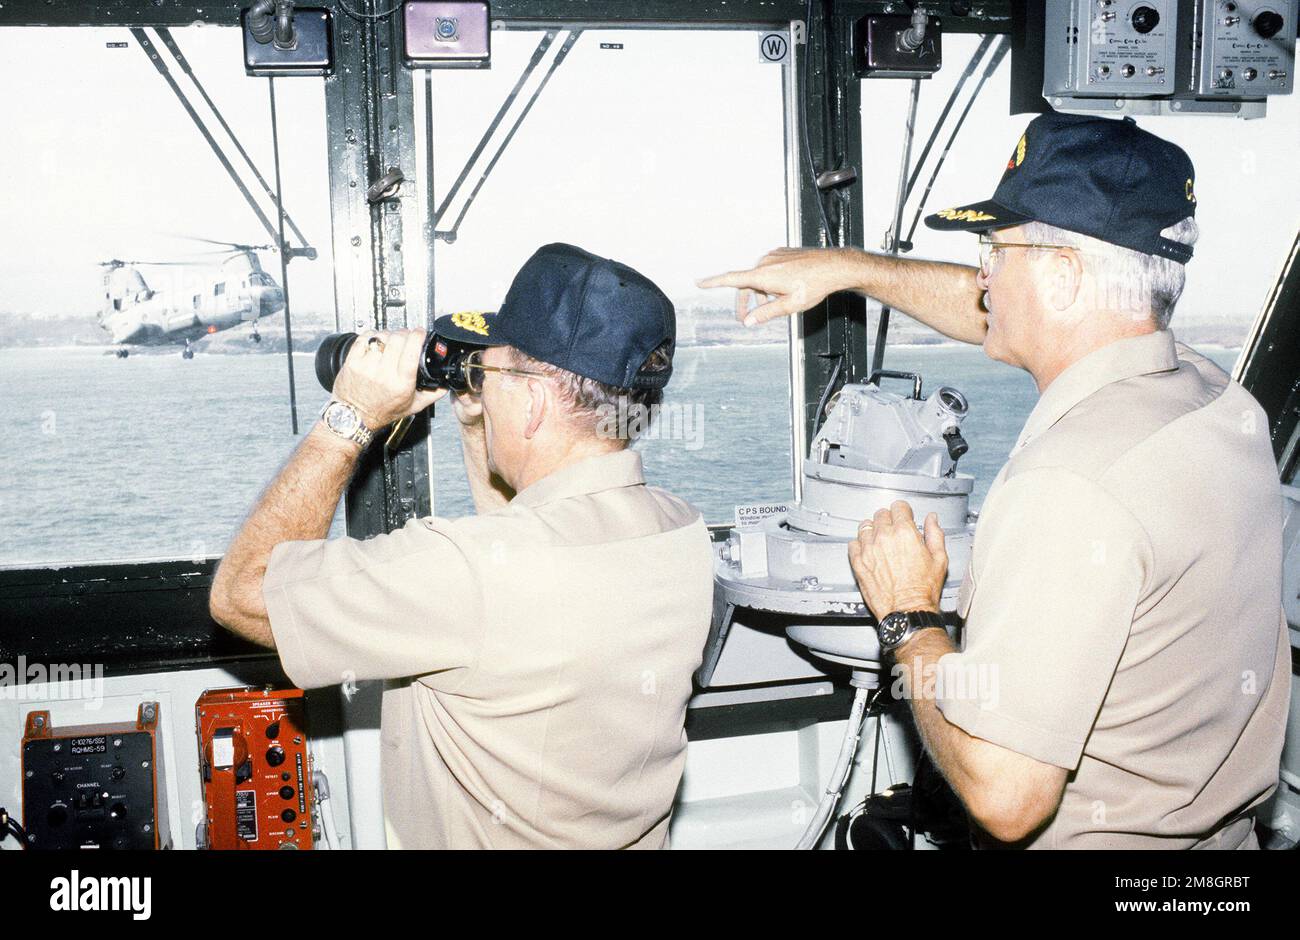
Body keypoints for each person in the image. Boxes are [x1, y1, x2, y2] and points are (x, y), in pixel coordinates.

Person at [700, 112, 1291, 849]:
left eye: (994, 250)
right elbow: (996, 309)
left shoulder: (1071, 487)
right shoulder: (1212, 399)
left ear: (1066, 276)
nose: (982, 274)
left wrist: (908, 618)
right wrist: (850, 270)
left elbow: (1006, 795)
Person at [209, 242, 715, 849]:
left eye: (494, 372)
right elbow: (522, 565)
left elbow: (243, 593)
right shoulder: (680, 531)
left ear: (530, 403)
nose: (482, 382)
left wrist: (350, 414)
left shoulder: (465, 573)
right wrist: (480, 425)